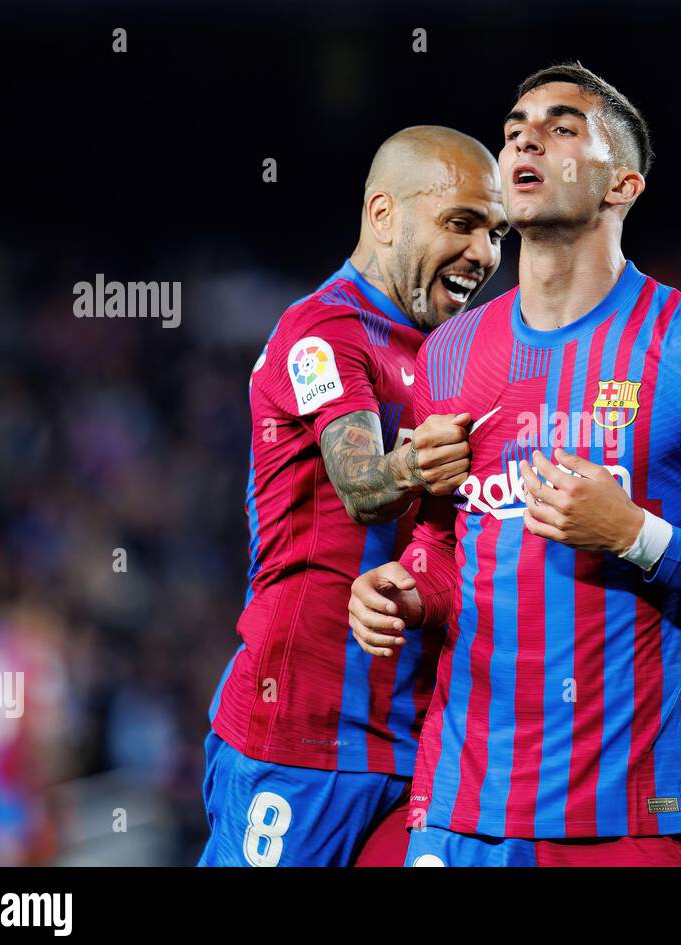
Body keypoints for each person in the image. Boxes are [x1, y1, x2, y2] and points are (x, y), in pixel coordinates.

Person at [346, 63, 681, 866]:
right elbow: (444, 549)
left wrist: (637, 535)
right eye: (516, 126)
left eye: (562, 127)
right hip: (464, 806)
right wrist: (400, 589)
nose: (525, 136)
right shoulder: (453, 352)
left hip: (629, 818)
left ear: (622, 186)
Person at [200, 126, 507, 866]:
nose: (486, 254)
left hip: (422, 742)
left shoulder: (463, 353)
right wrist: (418, 465)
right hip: (301, 735)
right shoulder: (324, 331)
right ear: (384, 215)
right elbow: (364, 486)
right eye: (460, 223)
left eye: (496, 232)